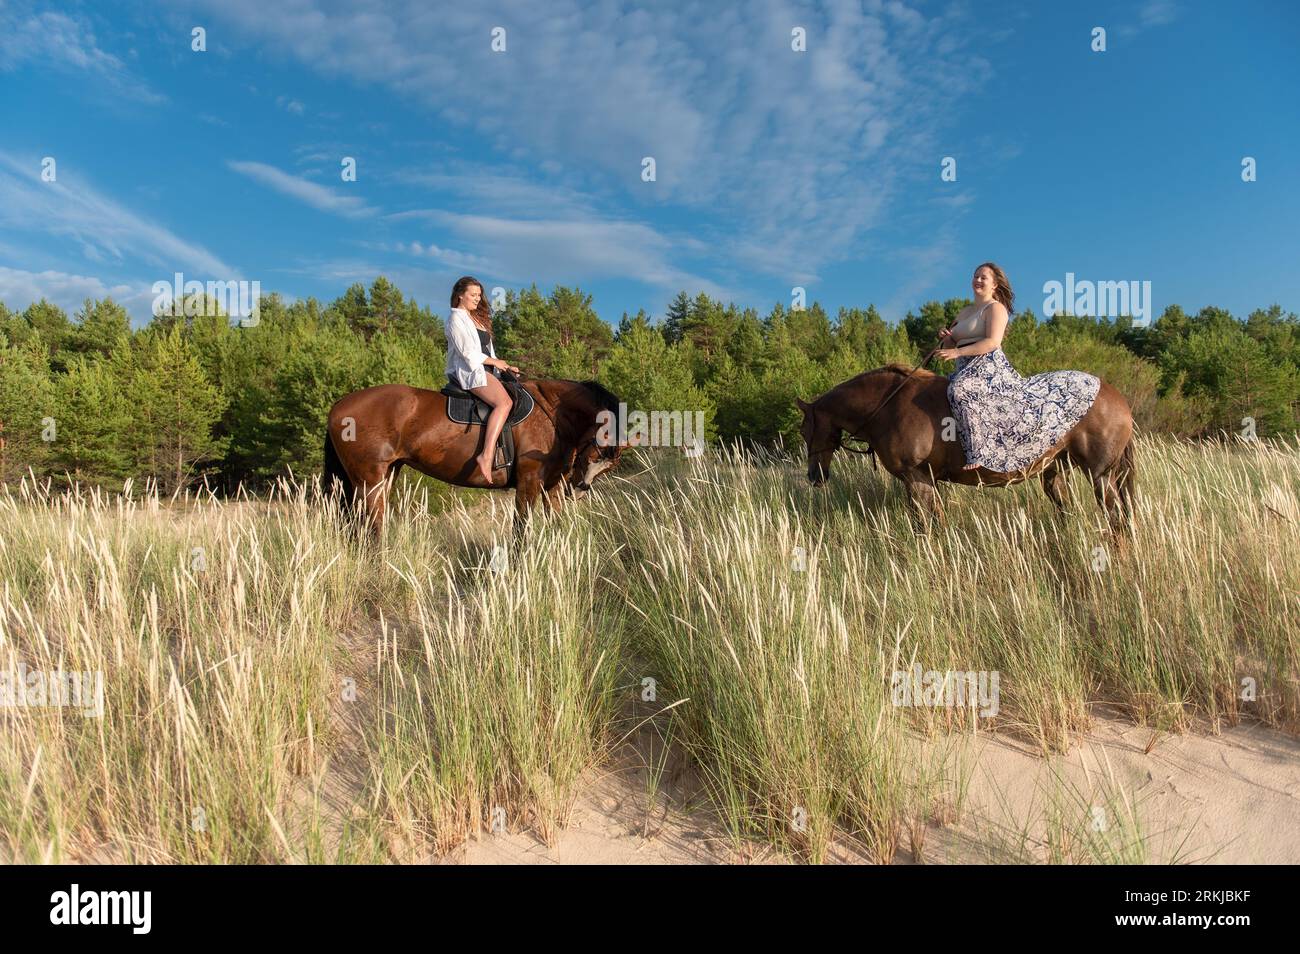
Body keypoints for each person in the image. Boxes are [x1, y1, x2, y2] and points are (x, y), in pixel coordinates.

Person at [935, 262, 1100, 474]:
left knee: (959, 390)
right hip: (963, 367)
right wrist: (947, 339)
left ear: (994, 285)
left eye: (983, 277)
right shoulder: (964, 312)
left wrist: (958, 352)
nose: (977, 280)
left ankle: (978, 451)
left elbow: (993, 342)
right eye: (975, 276)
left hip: (988, 367)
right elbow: (951, 346)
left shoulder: (995, 308)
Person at [445, 276, 521, 483]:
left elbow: (489, 351)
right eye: (473, 295)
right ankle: (486, 455)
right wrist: (495, 363)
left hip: (488, 370)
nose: (477, 299)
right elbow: (468, 354)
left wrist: (504, 365)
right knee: (504, 403)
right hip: (470, 371)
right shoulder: (455, 319)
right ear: (460, 295)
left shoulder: (477, 320)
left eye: (479, 295)